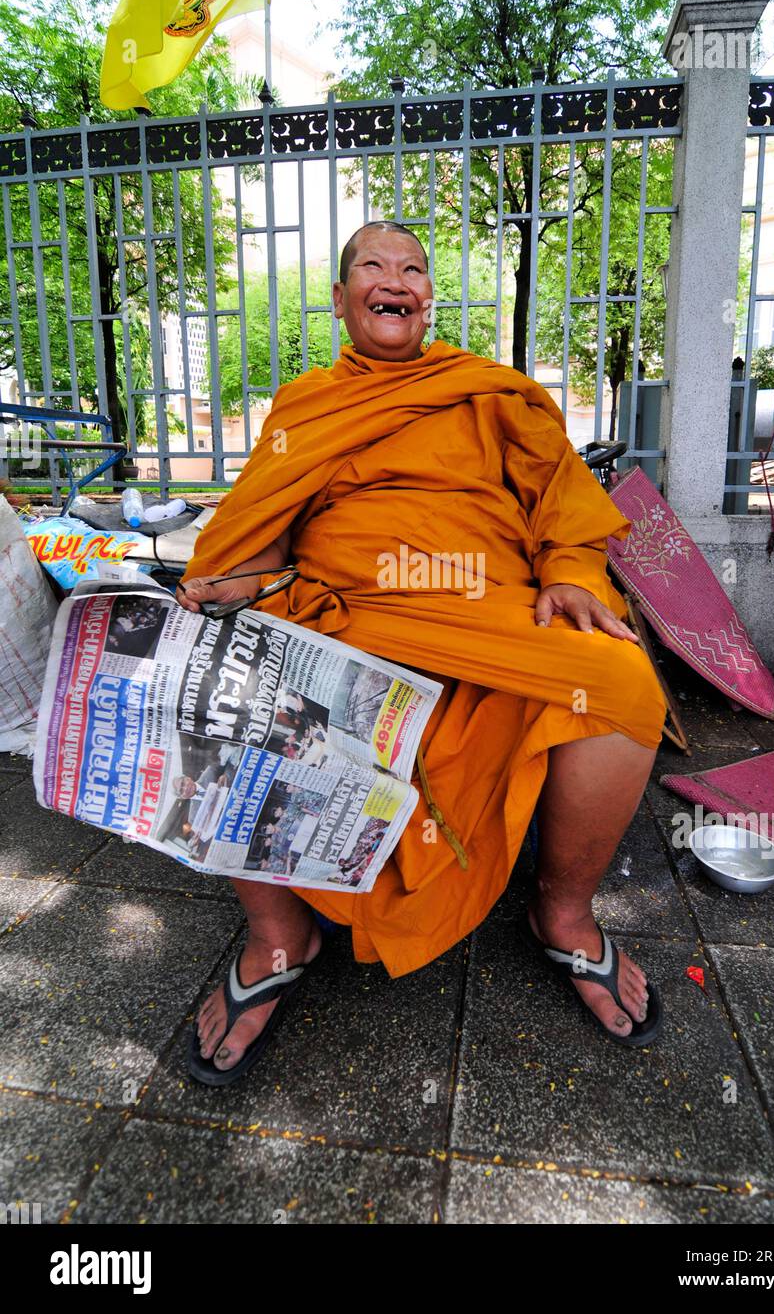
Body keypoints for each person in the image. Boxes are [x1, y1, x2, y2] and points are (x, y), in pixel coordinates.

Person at [178, 220, 668, 1085]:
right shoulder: (303, 407)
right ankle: (276, 930)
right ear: (341, 300)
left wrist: (567, 571)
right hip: (351, 612)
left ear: (427, 299)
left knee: (621, 682)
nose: (391, 278)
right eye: (369, 264)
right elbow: (257, 531)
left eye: (410, 268)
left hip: (491, 606)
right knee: (212, 673)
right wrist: (230, 581)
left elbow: (561, 503)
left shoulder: (490, 394)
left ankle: (561, 913)